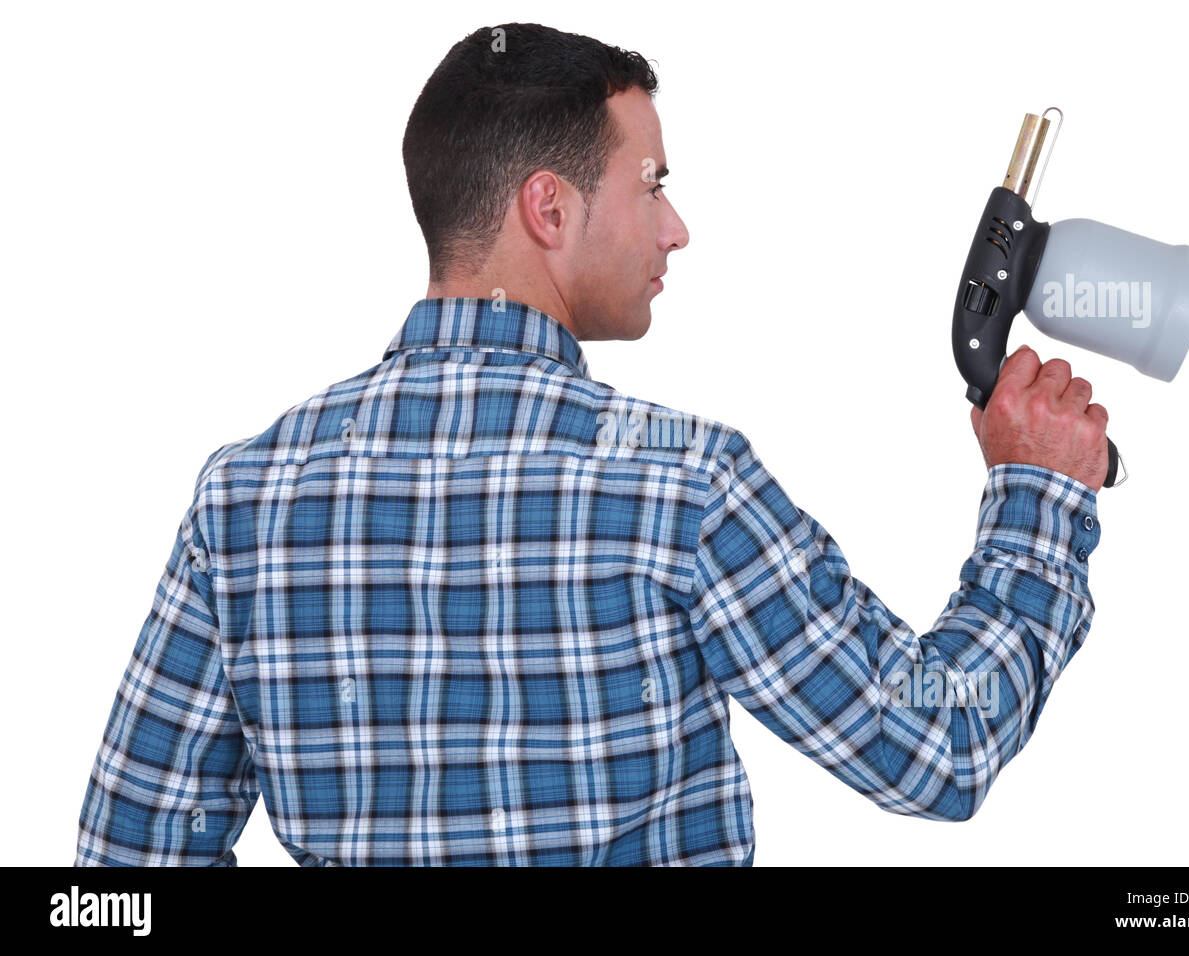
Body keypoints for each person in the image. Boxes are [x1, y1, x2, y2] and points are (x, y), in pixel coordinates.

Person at [74, 22, 1110, 867]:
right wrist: (1037, 497)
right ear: (548, 206)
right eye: (652, 182)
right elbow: (935, 741)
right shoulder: (680, 488)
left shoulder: (244, 499)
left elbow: (125, 869)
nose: (677, 228)